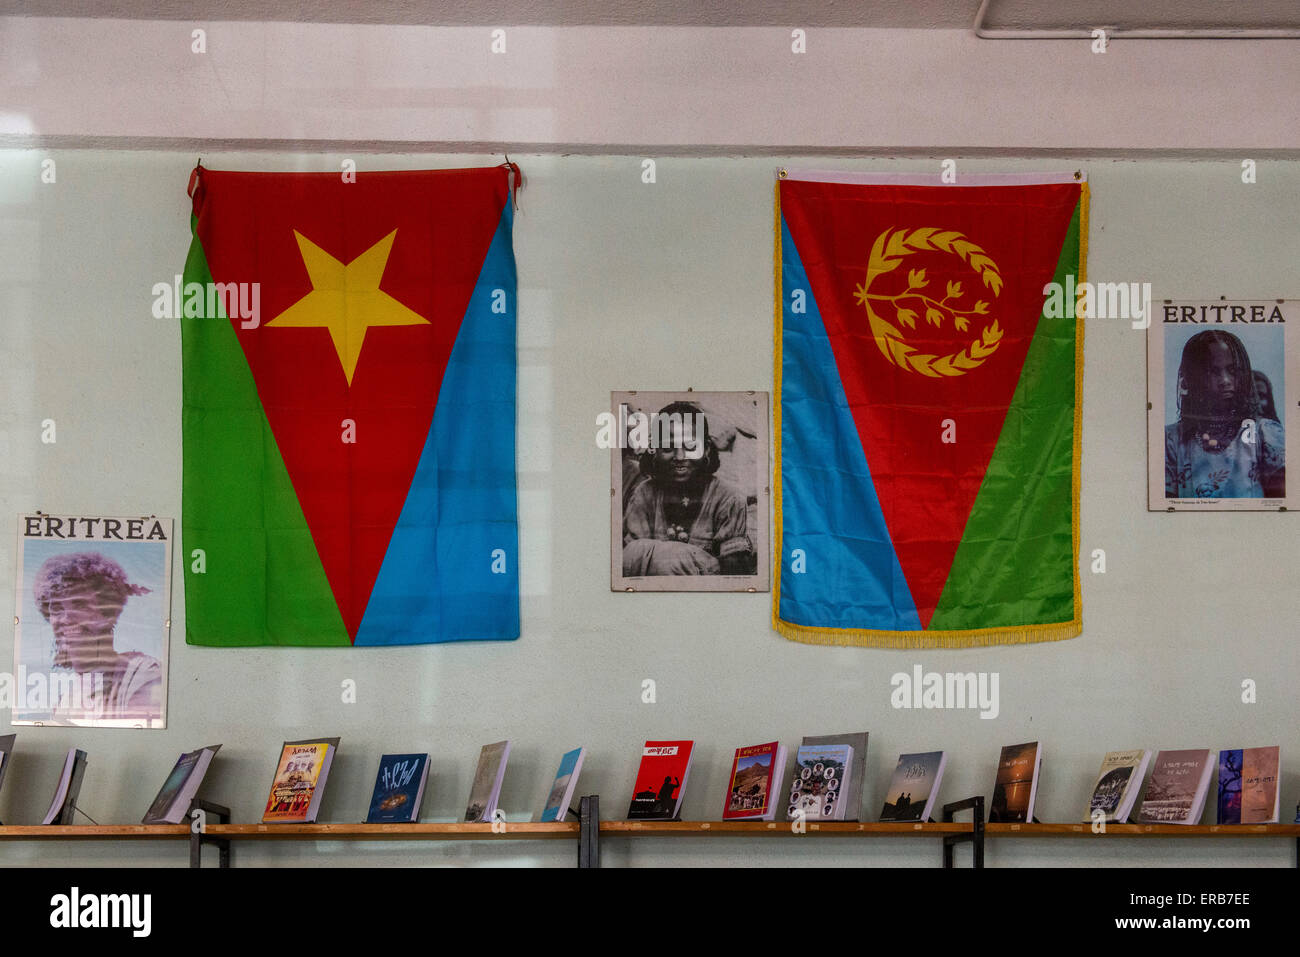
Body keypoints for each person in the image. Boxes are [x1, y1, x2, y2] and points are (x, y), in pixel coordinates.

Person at [622, 401, 757, 575]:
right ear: (654, 450)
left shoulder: (729, 499)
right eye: (668, 447)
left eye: (691, 446)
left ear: (707, 449)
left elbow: (734, 572)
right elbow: (631, 560)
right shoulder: (644, 494)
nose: (679, 457)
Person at [33, 552, 162, 721]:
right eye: (56, 608)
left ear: (107, 613)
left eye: (79, 605)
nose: (66, 618)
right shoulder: (66, 701)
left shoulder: (142, 675)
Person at [1165, 330, 1284, 499]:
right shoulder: (1171, 441)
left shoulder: (1266, 435)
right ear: (1192, 378)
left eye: (1232, 370)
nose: (1225, 381)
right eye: (1213, 372)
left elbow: (1282, 512)